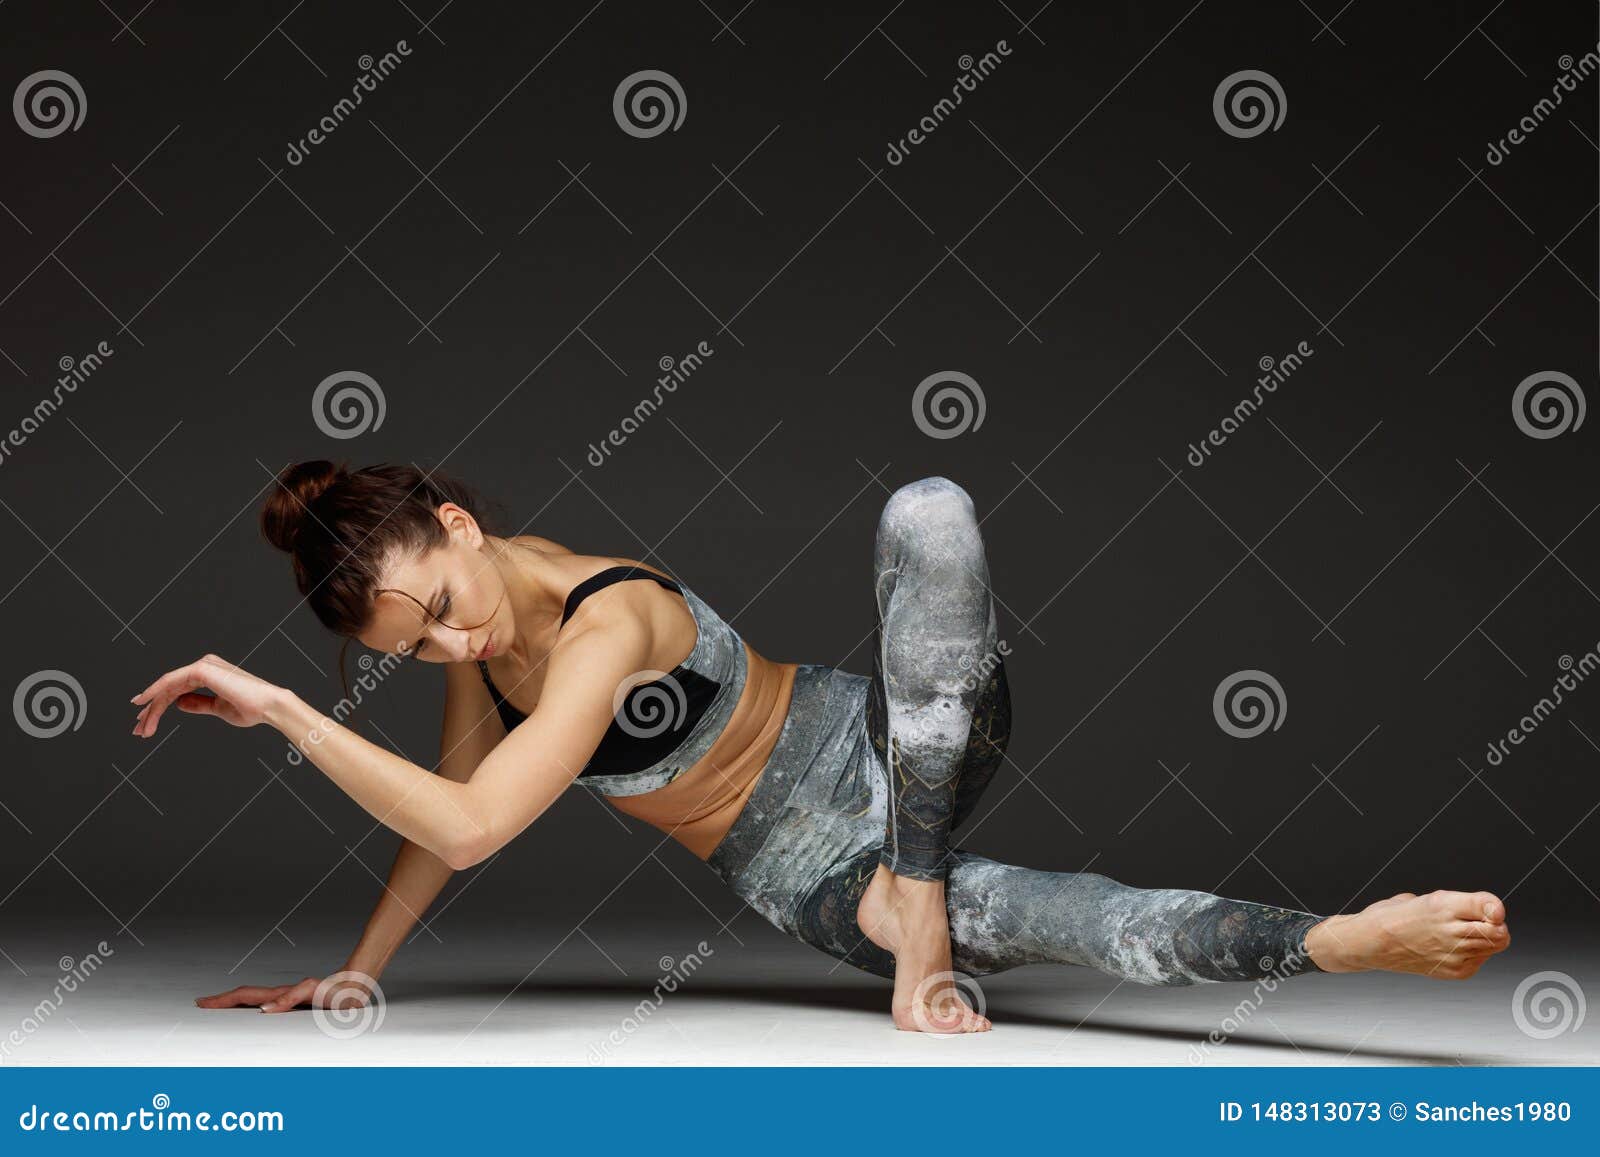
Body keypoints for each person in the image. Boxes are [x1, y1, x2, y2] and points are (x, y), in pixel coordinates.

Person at [132, 463, 1511, 1034]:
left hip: (903, 731)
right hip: (807, 873)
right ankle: (1340, 940)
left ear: (458, 524)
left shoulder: (609, 617)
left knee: (929, 511)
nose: (453, 643)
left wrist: (287, 710)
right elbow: (452, 815)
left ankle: (920, 893)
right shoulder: (488, 660)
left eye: (441, 607)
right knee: (1059, 917)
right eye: (417, 649)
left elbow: (484, 823)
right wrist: (362, 968)